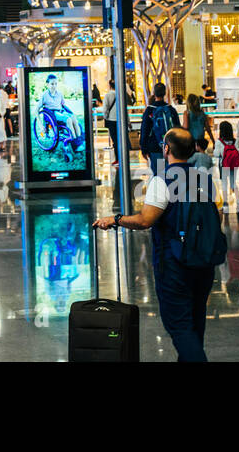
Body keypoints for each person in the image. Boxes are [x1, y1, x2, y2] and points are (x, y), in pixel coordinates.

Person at [95, 128, 217, 361]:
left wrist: (116, 219)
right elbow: (216, 216)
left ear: (166, 149)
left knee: (180, 326)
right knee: (194, 323)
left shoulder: (162, 180)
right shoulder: (204, 178)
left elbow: (145, 220)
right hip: (204, 261)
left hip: (174, 263)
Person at [139, 82, 180, 178]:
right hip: (170, 147)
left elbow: (144, 130)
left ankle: (160, 192)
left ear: (154, 93)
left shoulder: (149, 110)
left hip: (154, 147)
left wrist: (143, 148)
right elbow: (177, 129)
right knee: (170, 174)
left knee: (158, 175)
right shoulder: (171, 109)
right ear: (165, 93)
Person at [217, 121, 239, 206]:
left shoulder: (219, 142)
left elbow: (216, 154)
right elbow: (238, 152)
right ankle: (238, 200)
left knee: (224, 182)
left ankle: (225, 201)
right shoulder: (235, 141)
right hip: (233, 164)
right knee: (233, 182)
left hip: (223, 165)